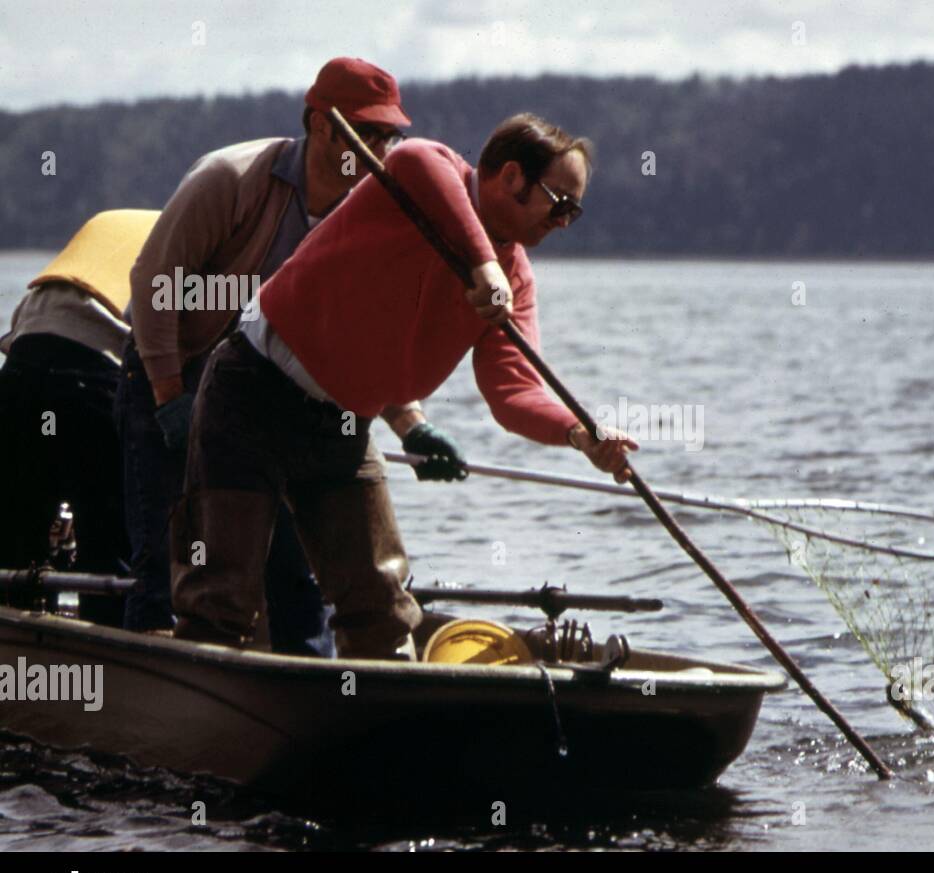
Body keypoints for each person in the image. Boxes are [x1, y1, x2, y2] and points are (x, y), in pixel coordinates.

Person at [171, 113, 637, 659]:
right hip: (252, 392)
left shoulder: (513, 282)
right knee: (220, 596)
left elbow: (513, 396)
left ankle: (382, 716)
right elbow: (415, 157)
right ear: (512, 177)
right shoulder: (424, 176)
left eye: (574, 213)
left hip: (342, 428)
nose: (564, 222)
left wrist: (579, 433)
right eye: (561, 204)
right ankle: (202, 708)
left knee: (381, 609)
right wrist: (482, 264)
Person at [116, 57, 441, 656]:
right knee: (174, 555)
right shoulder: (230, 179)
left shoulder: (371, 212)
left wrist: (411, 422)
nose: (378, 148)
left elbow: (368, 337)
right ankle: (159, 692)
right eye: (364, 133)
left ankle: (307, 681)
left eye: (389, 137)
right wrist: (169, 398)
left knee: (298, 564)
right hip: (176, 371)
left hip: (272, 392)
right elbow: (154, 282)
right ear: (321, 125)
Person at [0, 210, 159, 625]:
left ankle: (19, 643)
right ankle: (112, 653)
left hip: (19, 373)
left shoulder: (106, 228)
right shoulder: (190, 250)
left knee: (13, 539)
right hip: (92, 381)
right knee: (111, 544)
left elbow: (16, 337)